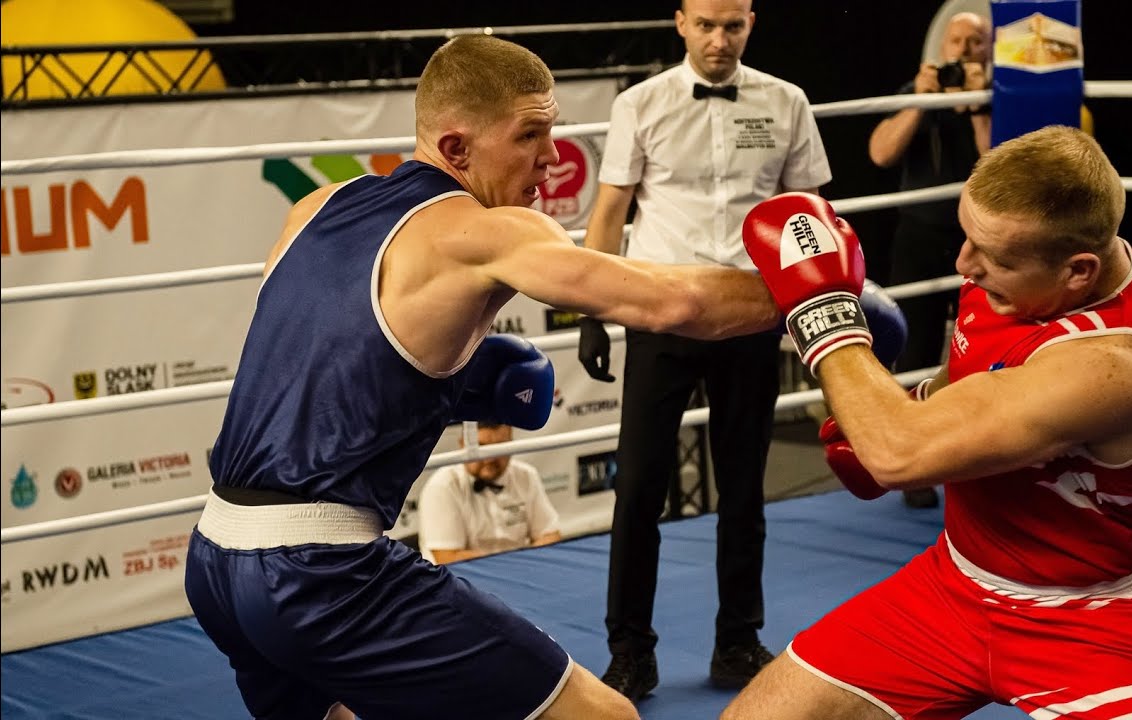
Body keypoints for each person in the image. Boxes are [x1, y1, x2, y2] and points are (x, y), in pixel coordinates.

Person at [184, 34, 784, 720]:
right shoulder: (492, 233)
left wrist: (448, 386)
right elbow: (670, 302)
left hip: (216, 563)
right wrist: (810, 298)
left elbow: (323, 357)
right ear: (457, 148)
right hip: (321, 573)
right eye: (530, 133)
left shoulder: (315, 208)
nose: (553, 158)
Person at [729, 125, 1132, 719]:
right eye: (967, 237)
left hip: (1084, 622)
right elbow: (980, 374)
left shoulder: (1117, 362)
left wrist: (824, 311)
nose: (964, 264)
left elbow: (898, 456)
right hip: (951, 589)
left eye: (992, 256)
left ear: (1079, 271)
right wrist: (919, 401)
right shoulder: (1019, 273)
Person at [574, 0, 832, 700]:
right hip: (659, 310)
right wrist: (594, 311)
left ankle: (738, 641)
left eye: (734, 26)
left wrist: (817, 311)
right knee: (637, 492)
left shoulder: (787, 101)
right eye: (707, 25)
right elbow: (610, 207)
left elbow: (808, 215)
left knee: (745, 487)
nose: (720, 41)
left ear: (752, 22)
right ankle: (630, 651)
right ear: (680, 22)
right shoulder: (641, 102)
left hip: (750, 311)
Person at [867, 10, 992, 510]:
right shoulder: (917, 88)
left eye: (974, 42)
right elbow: (880, 152)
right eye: (956, 41)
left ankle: (979, 460)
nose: (963, 50)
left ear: (987, 50)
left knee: (981, 344)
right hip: (918, 235)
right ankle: (916, 463)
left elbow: (999, 158)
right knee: (914, 345)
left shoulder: (995, 96)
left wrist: (978, 105)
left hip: (978, 240)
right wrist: (921, 99)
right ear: (941, 48)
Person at [419, 422, 562, 564]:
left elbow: (550, 534)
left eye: (499, 447)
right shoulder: (442, 486)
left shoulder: (526, 475)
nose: (490, 458)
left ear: (511, 444)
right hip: (462, 579)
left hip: (518, 571)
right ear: (463, 445)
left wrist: (523, 567)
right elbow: (448, 558)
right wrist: (513, 566)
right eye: (481, 446)